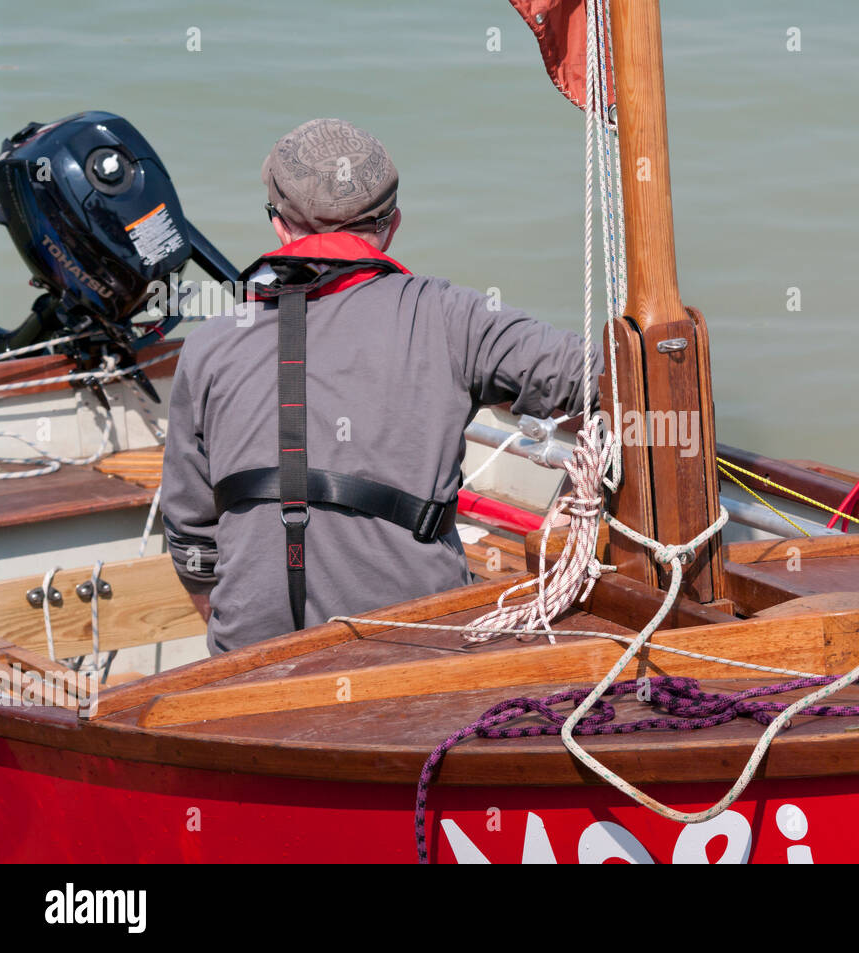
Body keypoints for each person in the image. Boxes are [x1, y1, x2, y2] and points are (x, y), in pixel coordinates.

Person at [162, 118, 600, 653]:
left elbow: (190, 538)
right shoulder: (454, 318)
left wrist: (246, 642)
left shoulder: (208, 345)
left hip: (249, 658)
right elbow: (601, 377)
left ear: (279, 226)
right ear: (392, 225)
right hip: (416, 647)